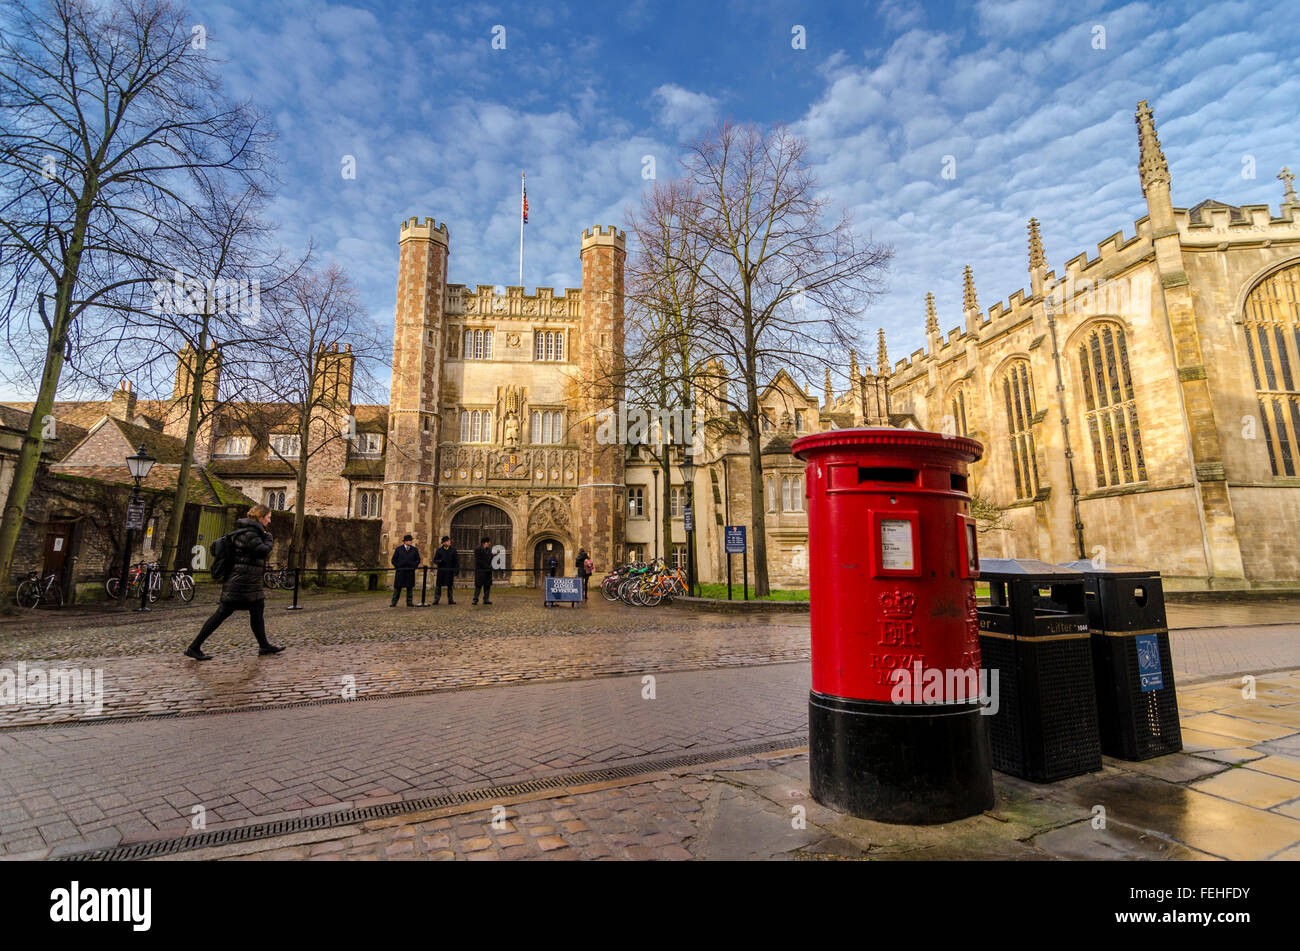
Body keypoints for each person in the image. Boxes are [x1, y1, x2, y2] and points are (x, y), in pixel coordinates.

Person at [185, 504, 284, 660]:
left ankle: (264, 645)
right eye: (268, 517)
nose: (270, 521)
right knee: (222, 614)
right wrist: (269, 539)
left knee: (257, 610)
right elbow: (262, 550)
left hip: (247, 582)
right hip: (240, 583)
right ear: (261, 517)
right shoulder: (250, 533)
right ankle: (194, 646)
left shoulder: (251, 531)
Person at [391, 534, 421, 606]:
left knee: (409, 587)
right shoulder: (399, 549)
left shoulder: (414, 549)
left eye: (411, 540)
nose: (410, 542)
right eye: (409, 540)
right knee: (397, 588)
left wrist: (414, 566)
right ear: (405, 541)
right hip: (400, 571)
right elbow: (393, 560)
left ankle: (409, 602)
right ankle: (394, 602)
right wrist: (398, 566)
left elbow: (418, 559)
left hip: (410, 571)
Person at [433, 535, 458, 604]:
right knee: (438, 586)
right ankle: (436, 599)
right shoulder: (439, 550)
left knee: (450, 586)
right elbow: (435, 560)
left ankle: (450, 599)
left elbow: (456, 561)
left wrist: (456, 570)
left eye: (449, 541)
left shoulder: (453, 550)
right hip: (441, 570)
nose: (449, 542)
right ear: (444, 543)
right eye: (447, 541)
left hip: (449, 570)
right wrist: (439, 561)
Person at [472, 536, 493, 605]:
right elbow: (478, 560)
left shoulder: (489, 550)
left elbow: (490, 558)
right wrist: (486, 566)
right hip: (480, 570)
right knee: (478, 586)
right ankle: (475, 599)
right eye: (488, 542)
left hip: (488, 571)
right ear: (484, 543)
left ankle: (486, 599)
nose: (489, 544)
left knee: (487, 586)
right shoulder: (477, 549)